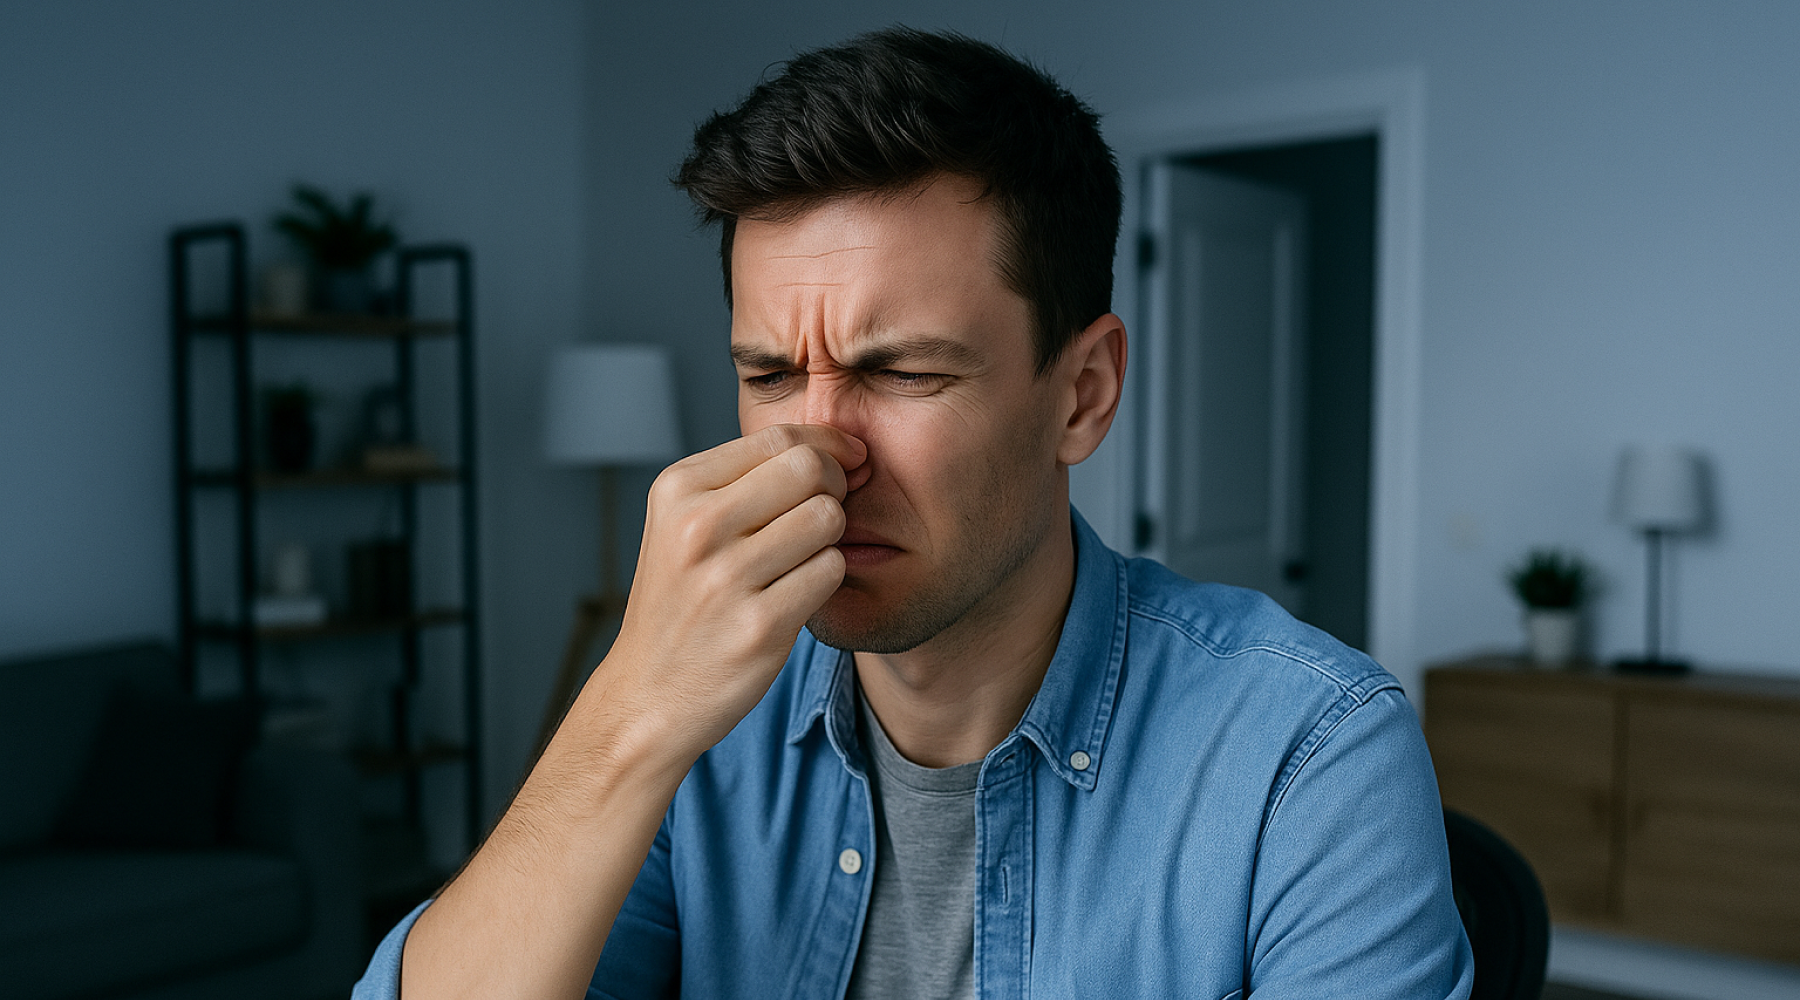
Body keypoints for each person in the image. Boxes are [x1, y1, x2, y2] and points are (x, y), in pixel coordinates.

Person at [358, 27, 1472, 1000]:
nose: (820, 456)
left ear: (1081, 394)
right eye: (770, 374)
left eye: (907, 375)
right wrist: (627, 718)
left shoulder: (1312, 757)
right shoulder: (695, 710)